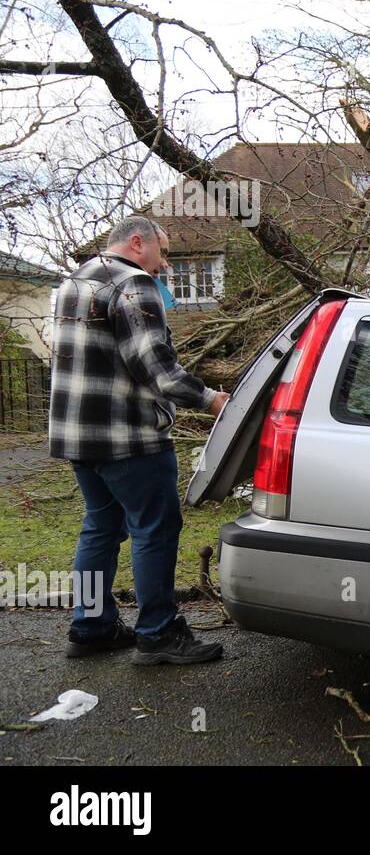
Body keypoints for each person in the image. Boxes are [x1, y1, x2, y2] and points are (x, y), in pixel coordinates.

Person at [49, 216, 231, 664]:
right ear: (136, 244)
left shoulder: (75, 281)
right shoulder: (134, 284)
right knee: (155, 529)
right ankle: (157, 635)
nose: (164, 264)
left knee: (100, 528)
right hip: (129, 439)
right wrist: (212, 401)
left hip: (78, 436)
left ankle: (91, 628)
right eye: (162, 253)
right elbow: (157, 369)